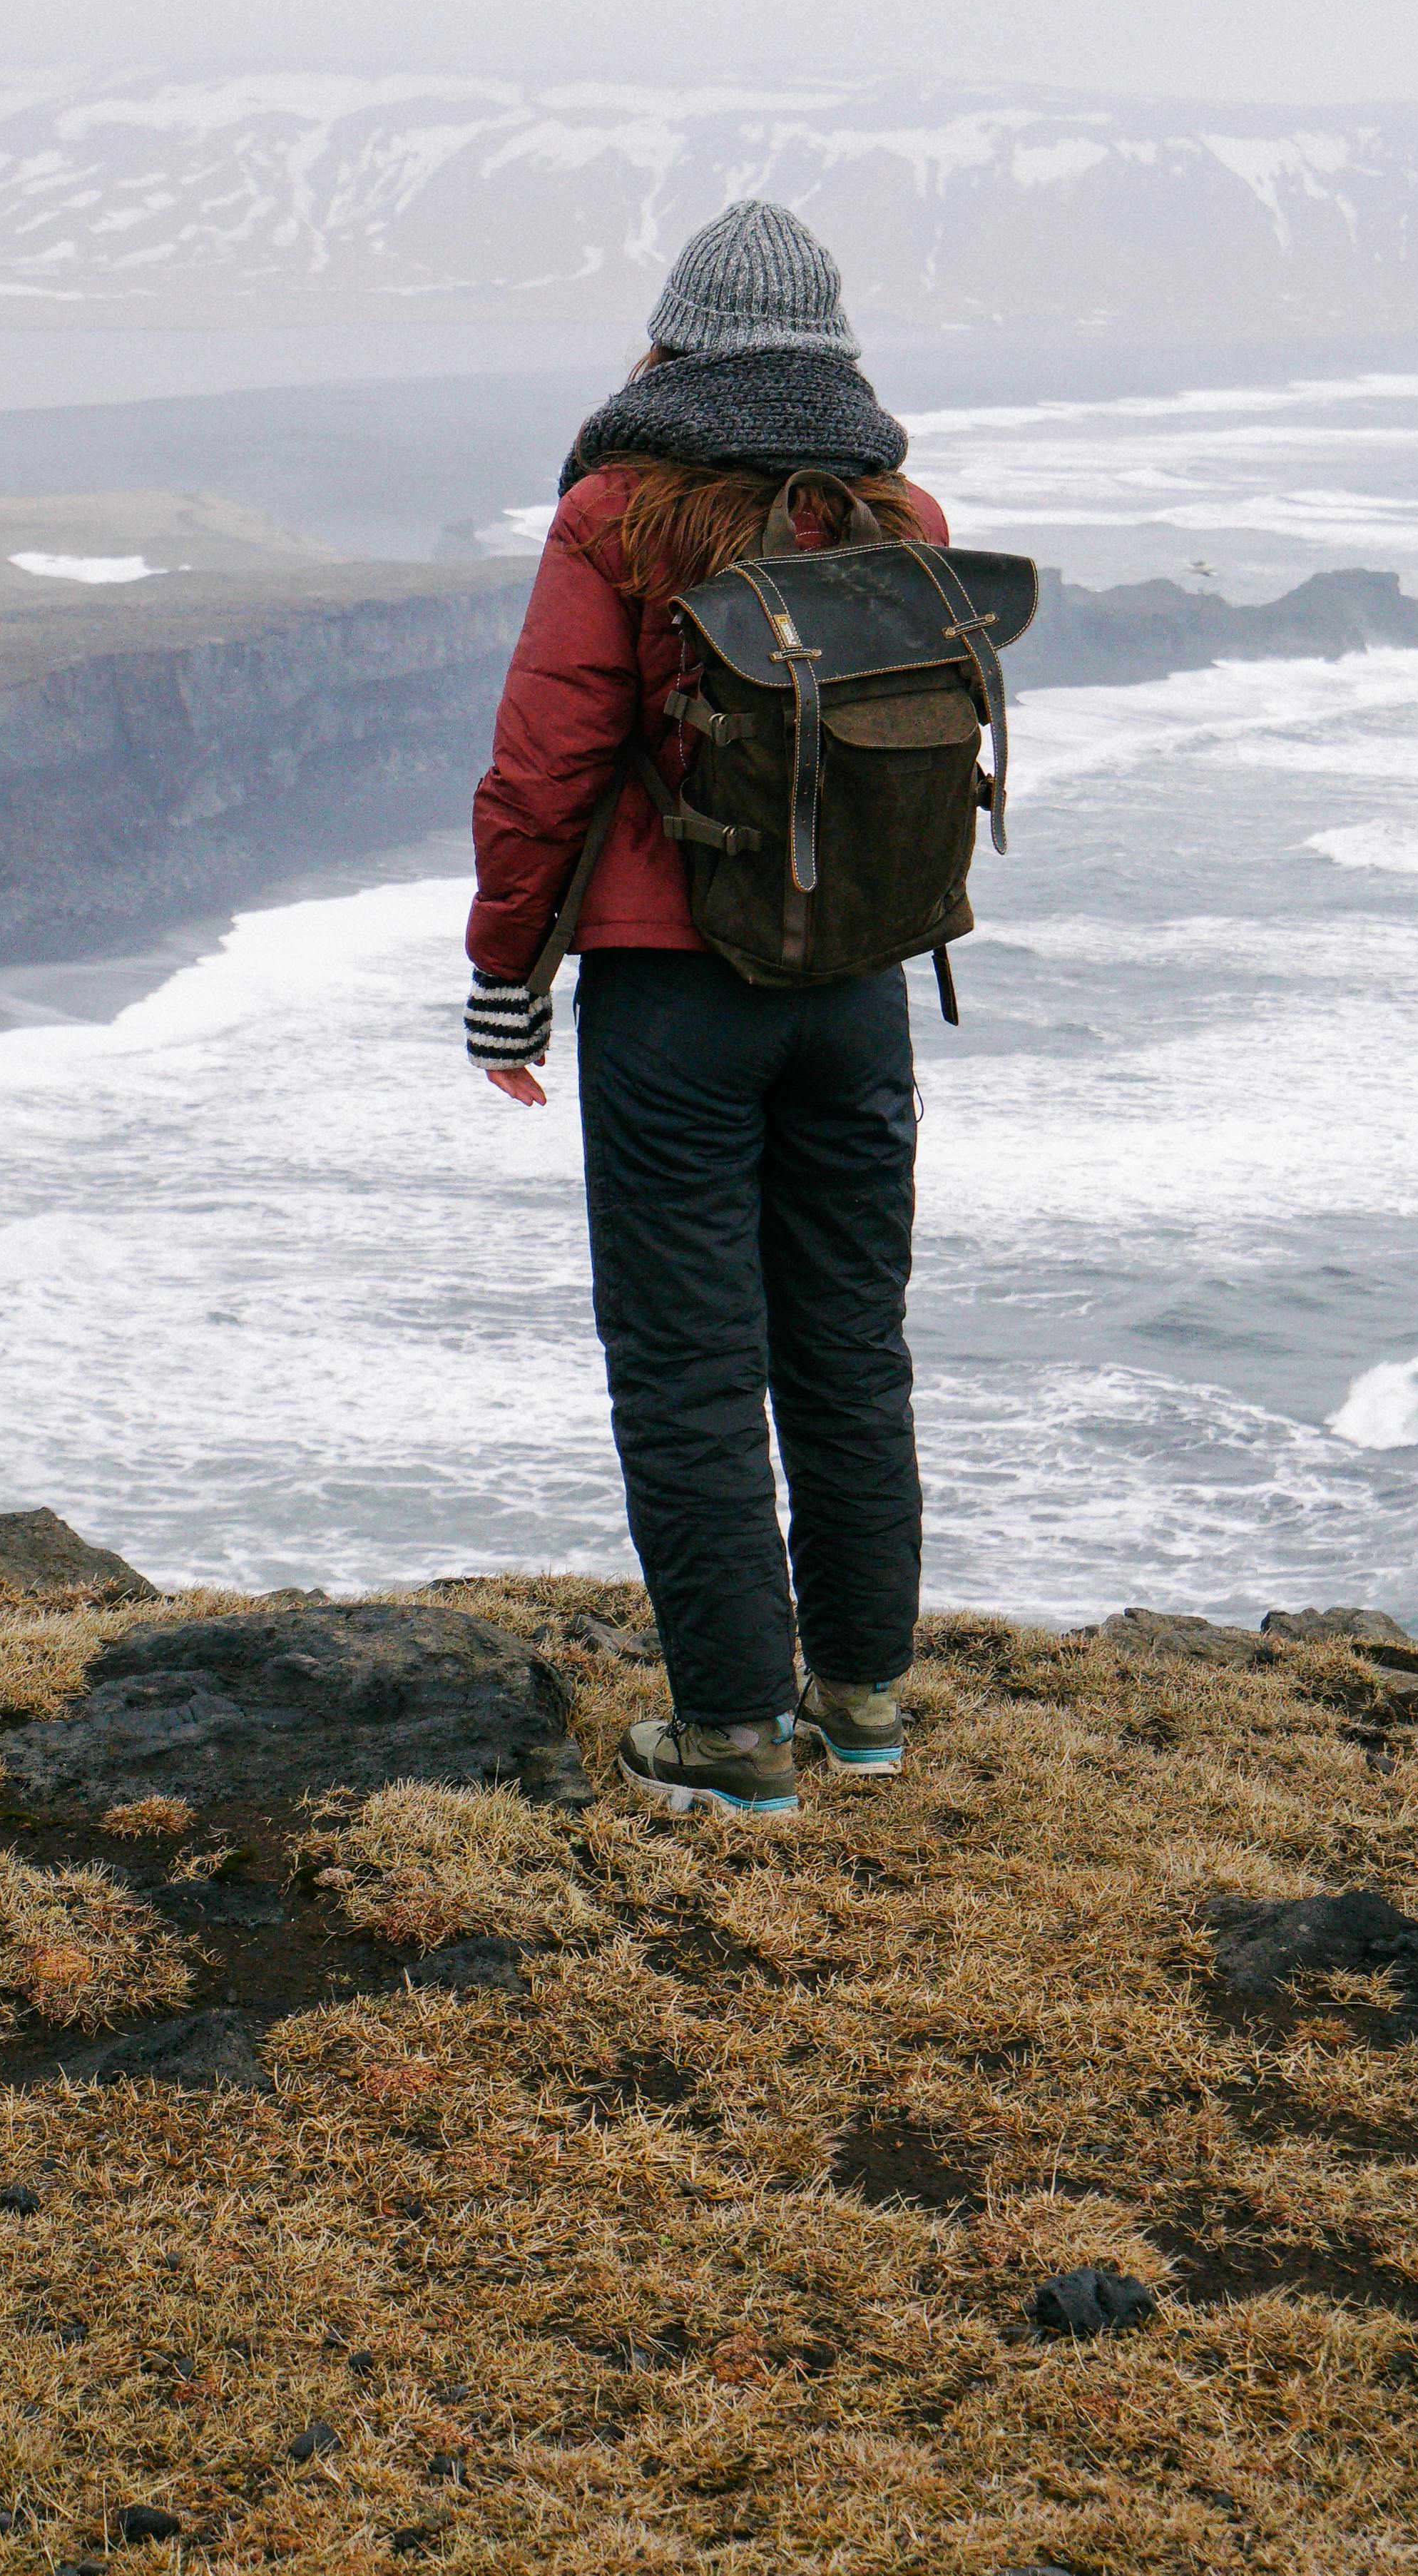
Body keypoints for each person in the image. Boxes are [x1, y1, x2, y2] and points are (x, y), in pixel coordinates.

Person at [462, 198, 944, 1818]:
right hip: (860, 989)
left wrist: (504, 980)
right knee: (847, 1350)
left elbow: (548, 767)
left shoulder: (620, 515)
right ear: (831, 349)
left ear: (671, 343)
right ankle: (865, 1702)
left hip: (679, 999)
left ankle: (735, 1739)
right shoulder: (900, 515)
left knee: (686, 1364)